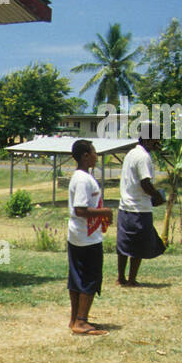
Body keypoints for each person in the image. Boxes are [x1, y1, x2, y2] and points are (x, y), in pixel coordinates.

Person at [67, 139, 113, 336]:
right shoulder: (83, 180)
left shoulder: (82, 177)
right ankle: (82, 321)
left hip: (80, 234)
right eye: (94, 152)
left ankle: (75, 318)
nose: (96, 155)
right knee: (89, 277)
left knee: (77, 276)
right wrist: (106, 212)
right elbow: (80, 209)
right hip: (86, 237)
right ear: (85, 155)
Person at [115, 124, 166, 286]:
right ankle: (131, 279)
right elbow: (145, 183)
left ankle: (121, 278)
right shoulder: (144, 157)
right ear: (148, 139)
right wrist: (157, 195)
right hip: (139, 208)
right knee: (138, 246)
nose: (158, 142)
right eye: (156, 139)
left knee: (124, 245)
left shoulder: (131, 153)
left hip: (125, 207)